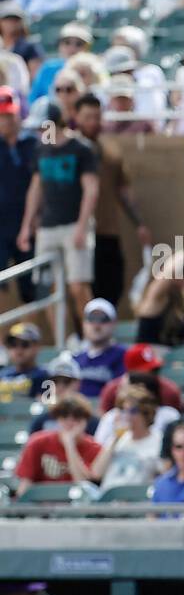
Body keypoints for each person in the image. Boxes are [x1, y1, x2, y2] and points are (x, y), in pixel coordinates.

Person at [16, 99, 99, 323]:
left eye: (43, 126)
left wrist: (82, 226)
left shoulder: (81, 149)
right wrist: (26, 226)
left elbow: (91, 190)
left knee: (77, 286)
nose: (40, 132)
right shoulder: (40, 150)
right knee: (44, 289)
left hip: (74, 224)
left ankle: (90, 337)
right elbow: (36, 188)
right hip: (47, 227)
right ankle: (65, 341)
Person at [73, 94, 151, 312]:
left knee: (113, 284)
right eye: (87, 117)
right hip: (79, 232)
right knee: (83, 289)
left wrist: (139, 223)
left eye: (97, 117)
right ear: (76, 117)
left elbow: (123, 190)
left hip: (107, 230)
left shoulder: (110, 150)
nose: (93, 122)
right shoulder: (68, 149)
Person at [14, 393, 101, 496]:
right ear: (57, 418)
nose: (70, 421)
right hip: (42, 505)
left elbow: (83, 486)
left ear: (85, 420)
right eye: (64, 416)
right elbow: (25, 483)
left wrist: (70, 445)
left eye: (76, 417)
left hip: (76, 507)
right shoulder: (38, 442)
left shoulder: (94, 448)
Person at [88, 382, 162, 491]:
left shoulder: (158, 441)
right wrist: (115, 439)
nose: (127, 416)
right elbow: (96, 474)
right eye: (124, 410)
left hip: (137, 503)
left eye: (132, 411)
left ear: (146, 413)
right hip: (108, 500)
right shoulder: (117, 438)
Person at [0, 86, 36, 292]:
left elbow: (40, 183)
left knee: (31, 287)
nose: (6, 120)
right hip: (1, 226)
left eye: (9, 114)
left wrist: (35, 218)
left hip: (27, 224)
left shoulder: (31, 143)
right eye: (2, 115)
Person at [27, 353, 98, 435]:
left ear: (78, 383)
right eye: (55, 381)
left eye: (66, 381)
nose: (60, 387)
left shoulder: (89, 420)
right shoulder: (41, 420)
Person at [0, 321, 46, 403]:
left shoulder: (45, 376)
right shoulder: (2, 374)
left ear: (37, 347)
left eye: (25, 345)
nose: (18, 351)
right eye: (13, 345)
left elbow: (48, 409)